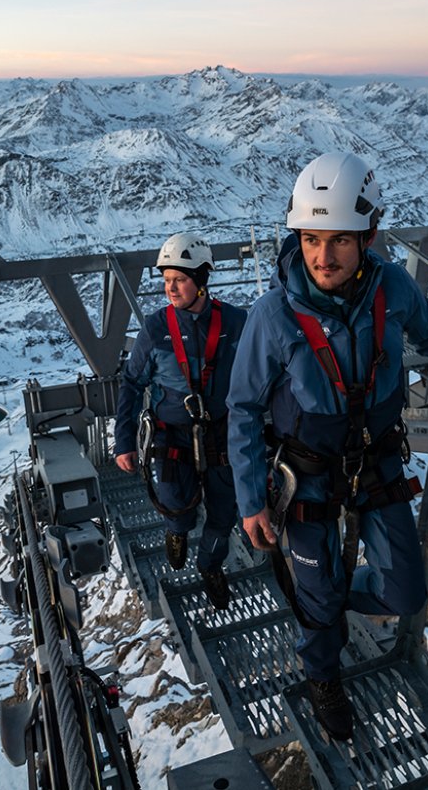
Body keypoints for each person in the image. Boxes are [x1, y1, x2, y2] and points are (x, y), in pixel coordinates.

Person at [227, 152, 428, 740]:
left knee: (404, 592)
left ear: (367, 235)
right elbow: (241, 410)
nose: (322, 256)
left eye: (338, 240)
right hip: (304, 478)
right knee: (317, 600)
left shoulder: (391, 289)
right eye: (310, 239)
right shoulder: (274, 316)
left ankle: (330, 598)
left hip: (378, 464)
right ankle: (323, 674)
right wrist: (248, 499)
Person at [114, 232, 248, 610]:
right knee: (175, 503)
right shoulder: (156, 329)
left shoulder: (235, 323)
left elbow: (260, 373)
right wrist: (123, 441)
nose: (170, 288)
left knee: (224, 512)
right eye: (166, 280)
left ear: (201, 280)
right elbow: (132, 382)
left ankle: (210, 565)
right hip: (171, 435)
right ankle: (177, 531)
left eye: (180, 280)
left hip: (221, 434)